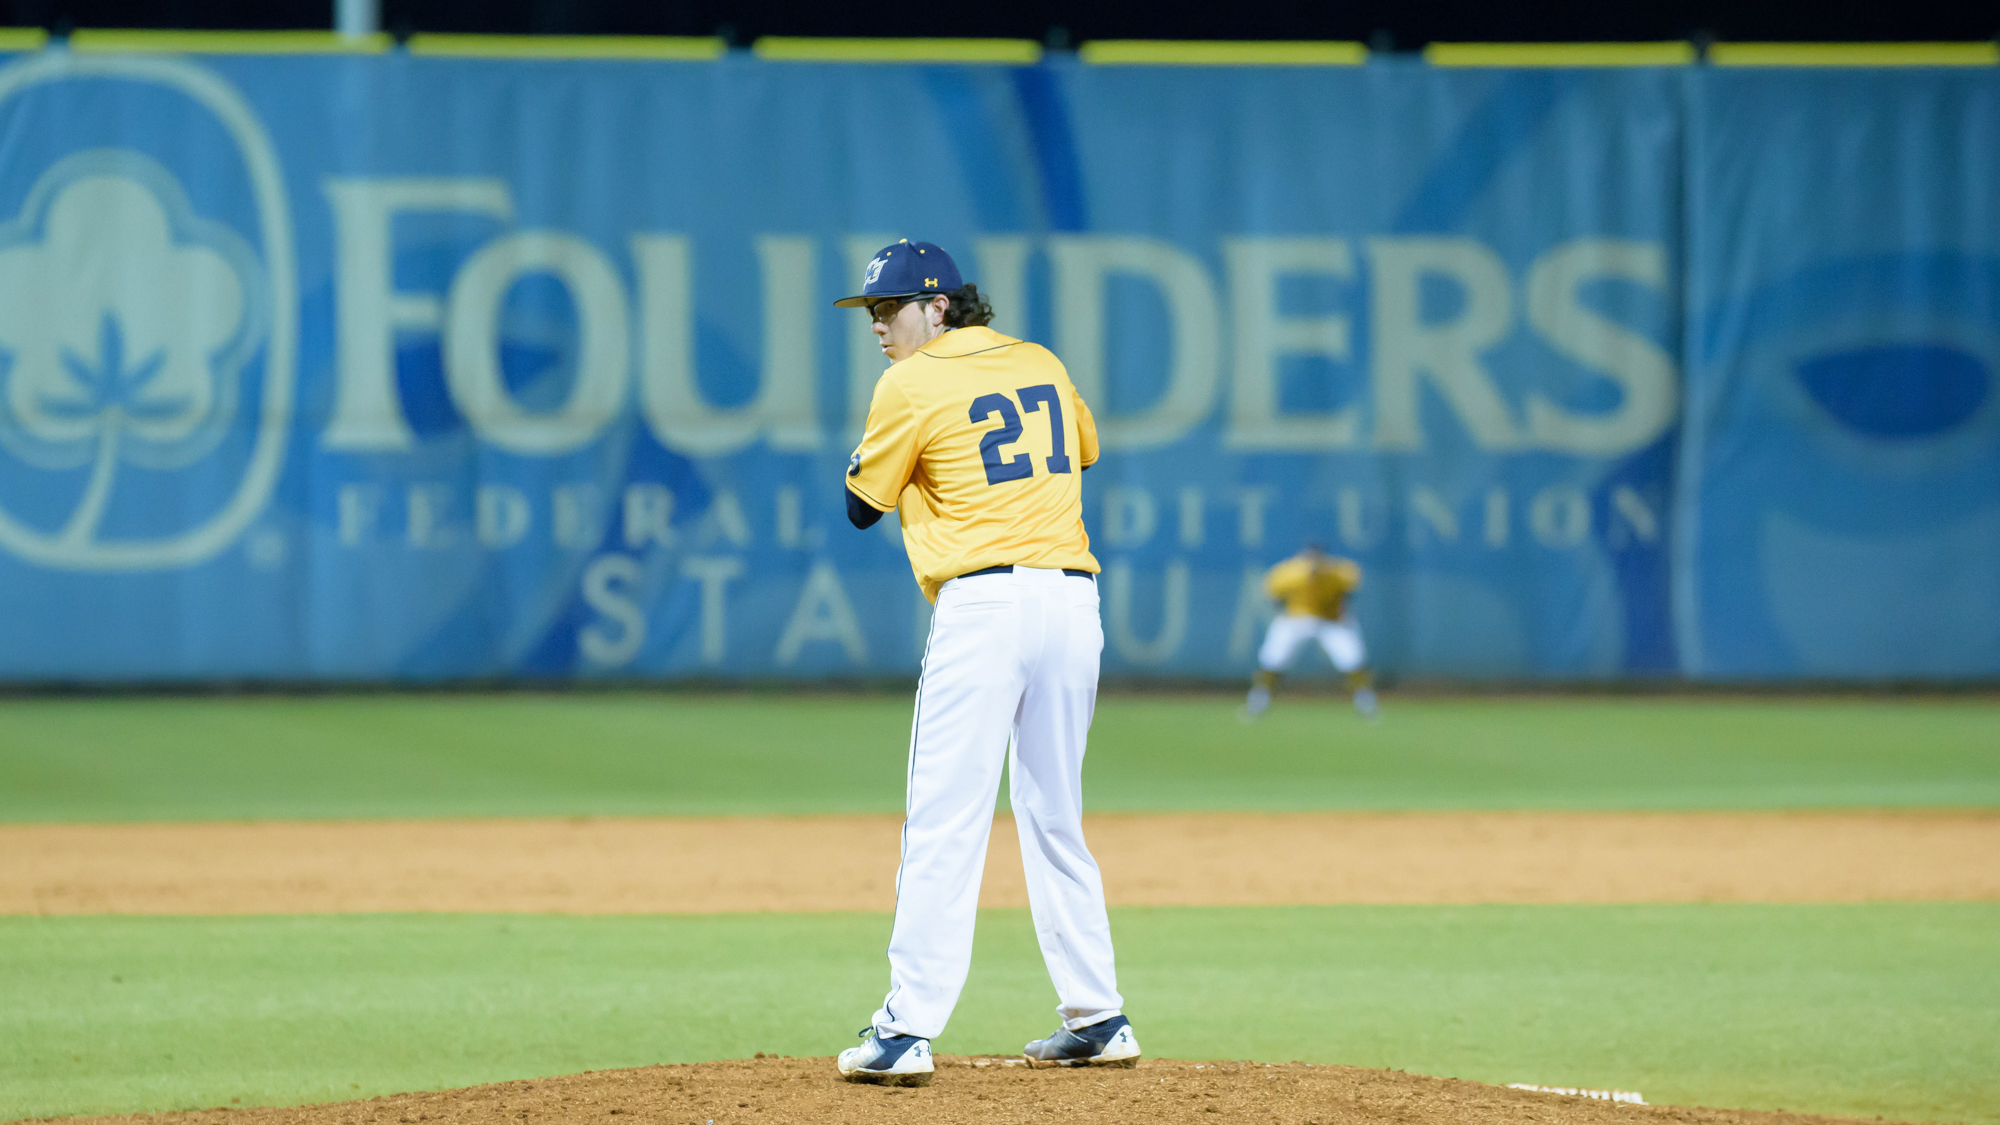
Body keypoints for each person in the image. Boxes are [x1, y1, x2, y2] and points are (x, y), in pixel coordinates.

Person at [831, 240, 1139, 1086]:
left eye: (890, 311)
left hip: (986, 605)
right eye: (871, 315)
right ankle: (1098, 1013)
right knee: (1054, 812)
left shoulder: (911, 383)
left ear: (939, 307)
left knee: (943, 815)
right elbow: (1084, 448)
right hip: (1073, 601)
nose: (879, 329)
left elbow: (861, 506)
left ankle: (905, 1027)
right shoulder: (1040, 358)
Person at [1243, 543, 1378, 720]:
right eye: (1309, 557)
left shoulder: (1339, 571)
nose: (1313, 563)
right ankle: (1258, 701)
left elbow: (1349, 593)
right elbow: (1276, 600)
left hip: (1332, 620)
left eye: (1316, 557)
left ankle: (1366, 703)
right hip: (1297, 618)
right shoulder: (1289, 572)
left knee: (1353, 661)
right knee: (1272, 659)